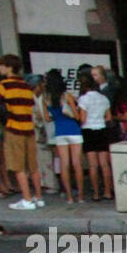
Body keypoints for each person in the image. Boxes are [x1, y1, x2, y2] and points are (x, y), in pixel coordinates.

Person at [0, 55, 43, 210]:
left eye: (1, 65)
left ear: (8, 67)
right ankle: (38, 198)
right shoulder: (26, 85)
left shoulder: (4, 85)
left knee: (18, 166)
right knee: (33, 165)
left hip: (14, 127)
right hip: (28, 128)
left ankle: (27, 199)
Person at [45, 70, 84, 203]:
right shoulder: (66, 96)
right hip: (73, 130)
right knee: (77, 163)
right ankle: (80, 196)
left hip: (60, 132)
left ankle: (69, 197)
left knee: (64, 164)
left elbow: (48, 118)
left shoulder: (46, 98)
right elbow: (77, 116)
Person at [76, 72, 115, 202]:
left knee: (93, 165)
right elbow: (109, 117)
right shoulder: (104, 98)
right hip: (102, 129)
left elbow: (82, 118)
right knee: (104, 164)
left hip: (88, 130)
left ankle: (96, 193)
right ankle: (108, 192)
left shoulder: (83, 99)